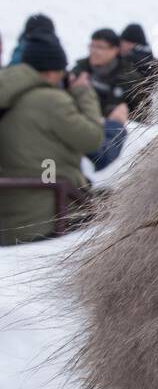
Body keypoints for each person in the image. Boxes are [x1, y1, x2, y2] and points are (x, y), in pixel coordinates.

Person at [0, 33, 105, 245]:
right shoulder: (50, 101)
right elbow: (93, 140)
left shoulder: (7, 96)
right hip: (48, 218)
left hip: (9, 220)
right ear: (50, 72)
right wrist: (84, 94)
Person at [70, 28, 148, 119]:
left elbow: (143, 117)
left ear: (115, 50)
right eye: (92, 46)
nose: (93, 51)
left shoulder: (131, 79)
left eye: (100, 47)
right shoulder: (80, 70)